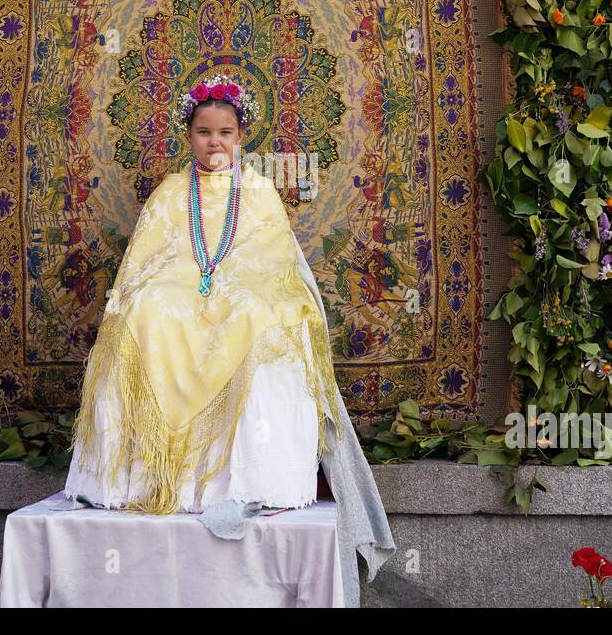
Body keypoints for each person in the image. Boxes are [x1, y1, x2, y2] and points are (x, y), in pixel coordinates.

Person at [62, 74, 396, 586]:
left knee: (252, 311)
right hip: (180, 282)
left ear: (241, 136)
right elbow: (146, 258)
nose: (213, 142)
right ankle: (154, 476)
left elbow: (274, 256)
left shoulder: (259, 190)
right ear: (188, 135)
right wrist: (169, 286)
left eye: (224, 132)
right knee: (147, 308)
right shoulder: (172, 192)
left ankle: (228, 479)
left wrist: (231, 283)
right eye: (202, 132)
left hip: (244, 283)